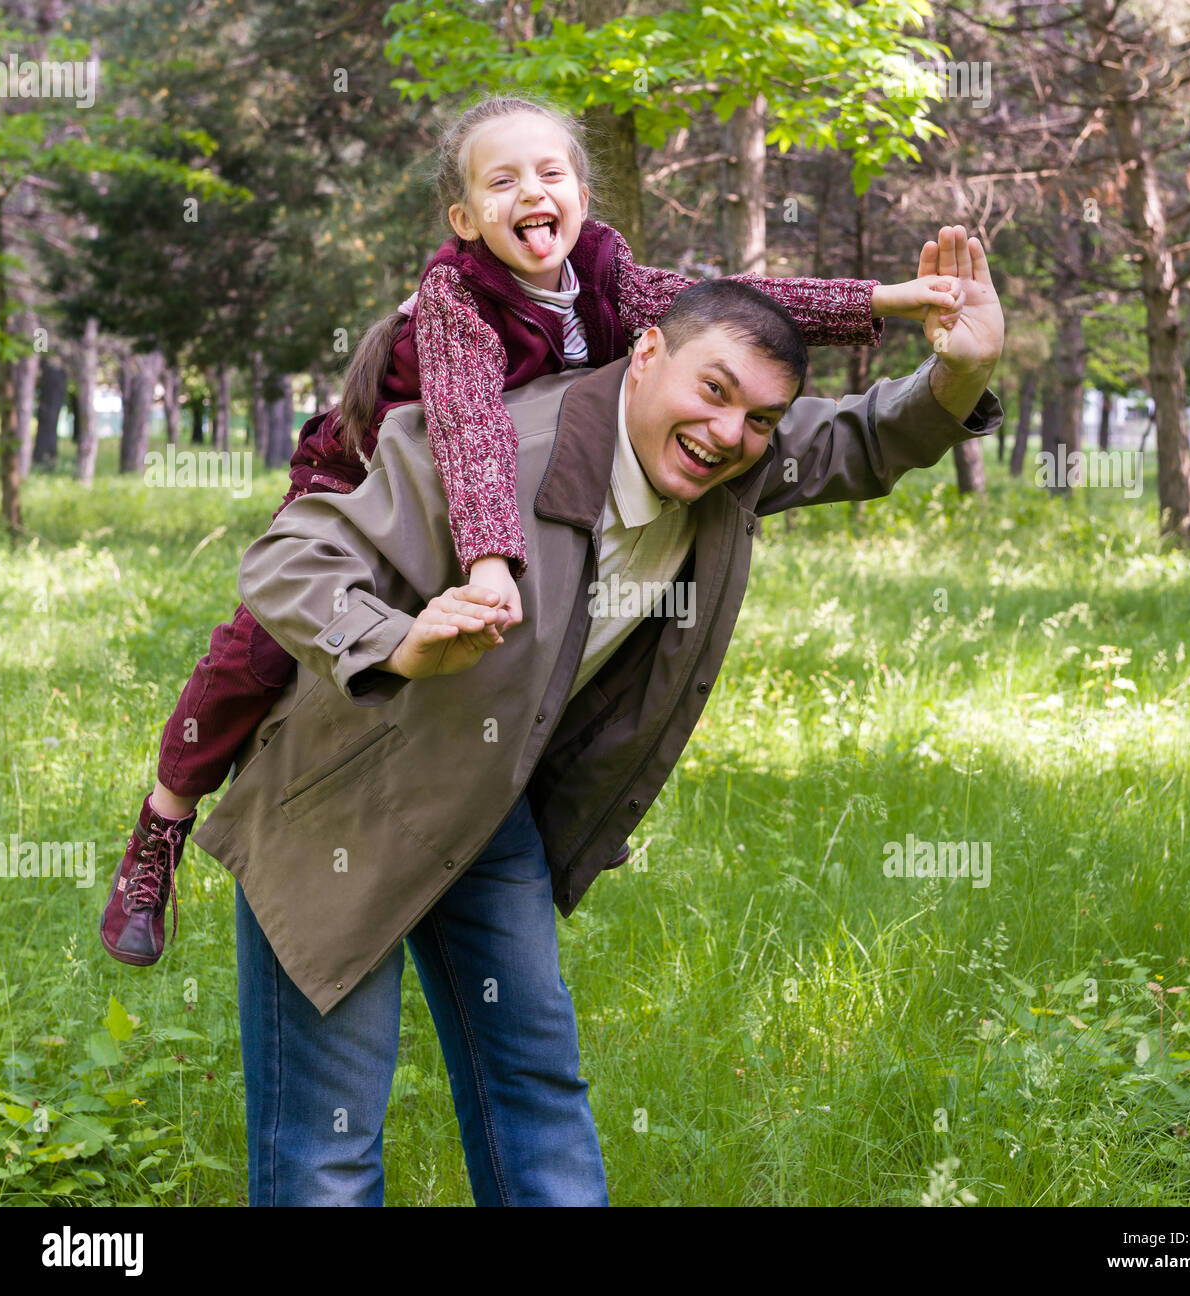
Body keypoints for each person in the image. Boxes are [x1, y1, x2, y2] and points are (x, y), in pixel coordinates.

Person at [190, 225, 1007, 1205]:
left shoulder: (733, 464)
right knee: (328, 1145)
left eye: (759, 418)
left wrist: (960, 369)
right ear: (647, 351)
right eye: (712, 391)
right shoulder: (495, 451)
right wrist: (397, 642)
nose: (727, 434)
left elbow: (869, 438)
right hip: (342, 809)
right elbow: (289, 561)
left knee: (534, 1091)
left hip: (490, 813)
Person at [99, 94, 968, 968]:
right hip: (373, 475)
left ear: (583, 196)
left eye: (550, 173)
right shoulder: (456, 296)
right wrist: (488, 565)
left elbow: (733, 306)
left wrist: (892, 301)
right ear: (466, 217)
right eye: (501, 181)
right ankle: (162, 826)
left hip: (489, 494)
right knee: (260, 651)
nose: (531, 193)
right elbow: (471, 428)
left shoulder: (607, 272)